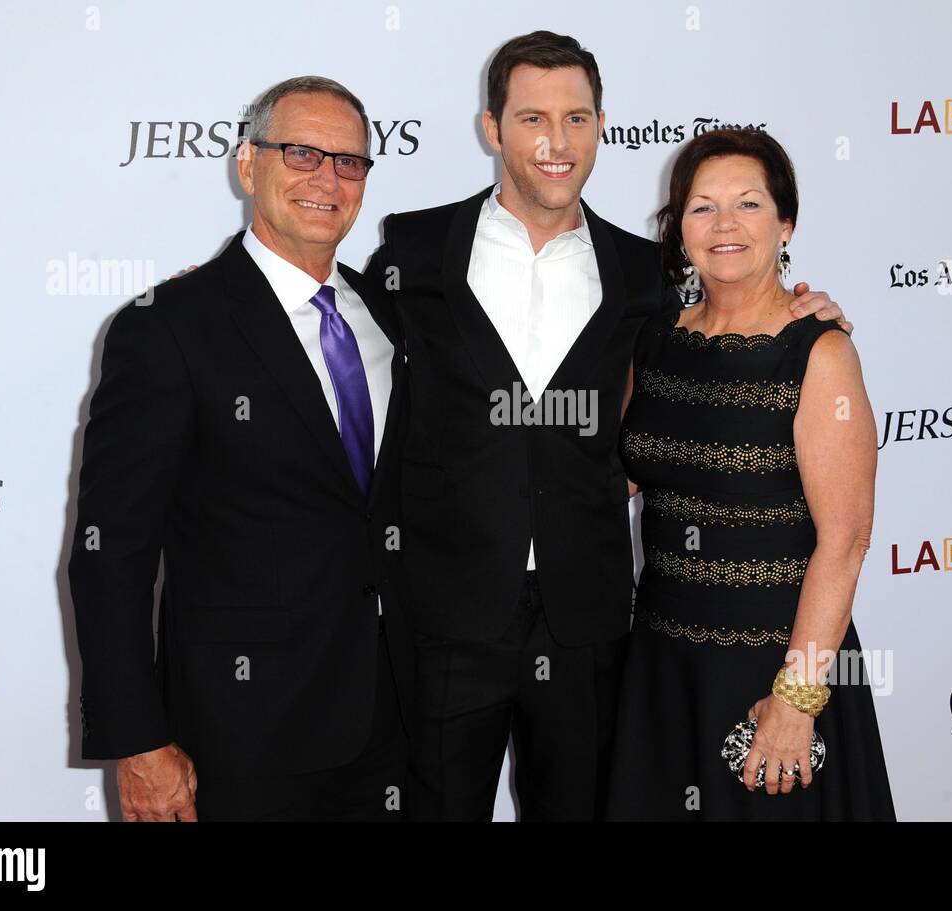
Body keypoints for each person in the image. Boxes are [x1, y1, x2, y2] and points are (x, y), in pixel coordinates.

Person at [364, 31, 848, 821]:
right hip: (447, 622)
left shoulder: (641, 278)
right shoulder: (412, 251)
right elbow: (331, 326)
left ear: (600, 125)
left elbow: (710, 358)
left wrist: (813, 310)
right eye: (531, 119)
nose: (557, 142)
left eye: (577, 118)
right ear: (492, 129)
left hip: (589, 625)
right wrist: (231, 291)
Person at [68, 76, 414, 821]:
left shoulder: (392, 317)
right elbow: (111, 551)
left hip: (398, 725)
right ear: (247, 165)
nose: (328, 177)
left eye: (349, 161)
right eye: (301, 153)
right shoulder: (167, 328)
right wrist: (138, 740)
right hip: (240, 738)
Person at [606, 127, 895, 820]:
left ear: (785, 222)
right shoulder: (654, 338)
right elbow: (619, 476)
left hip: (775, 665)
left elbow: (846, 540)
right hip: (665, 663)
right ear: (680, 228)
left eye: (749, 204)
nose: (725, 224)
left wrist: (797, 699)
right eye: (703, 207)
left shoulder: (819, 352)